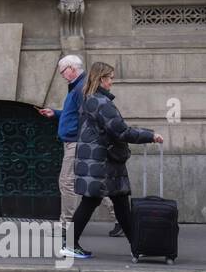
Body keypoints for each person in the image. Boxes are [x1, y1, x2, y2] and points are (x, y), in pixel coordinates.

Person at [67, 61, 163, 259]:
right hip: (101, 161)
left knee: (118, 203)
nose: (112, 82)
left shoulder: (91, 99)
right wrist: (150, 135)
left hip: (101, 160)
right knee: (95, 202)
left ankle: (137, 246)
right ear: (102, 79)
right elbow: (121, 131)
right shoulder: (100, 103)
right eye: (110, 78)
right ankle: (70, 244)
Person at [39, 55, 125, 237]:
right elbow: (75, 113)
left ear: (72, 68)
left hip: (76, 142)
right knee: (96, 183)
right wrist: (55, 113)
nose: (62, 75)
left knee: (67, 182)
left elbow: (87, 115)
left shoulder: (80, 88)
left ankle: (66, 225)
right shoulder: (78, 87)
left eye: (63, 71)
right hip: (76, 141)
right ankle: (121, 220)